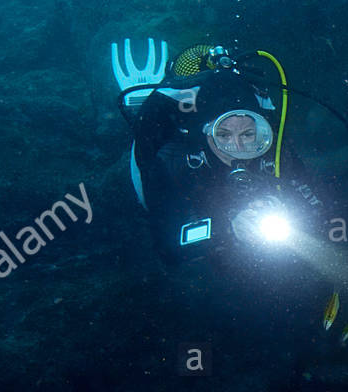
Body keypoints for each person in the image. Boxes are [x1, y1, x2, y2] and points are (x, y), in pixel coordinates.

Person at [127, 44, 325, 266]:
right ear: (206, 133)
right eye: (223, 135)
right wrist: (228, 229)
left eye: (248, 134)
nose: (237, 147)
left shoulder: (275, 154)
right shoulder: (175, 163)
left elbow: (319, 209)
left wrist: (288, 208)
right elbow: (167, 248)